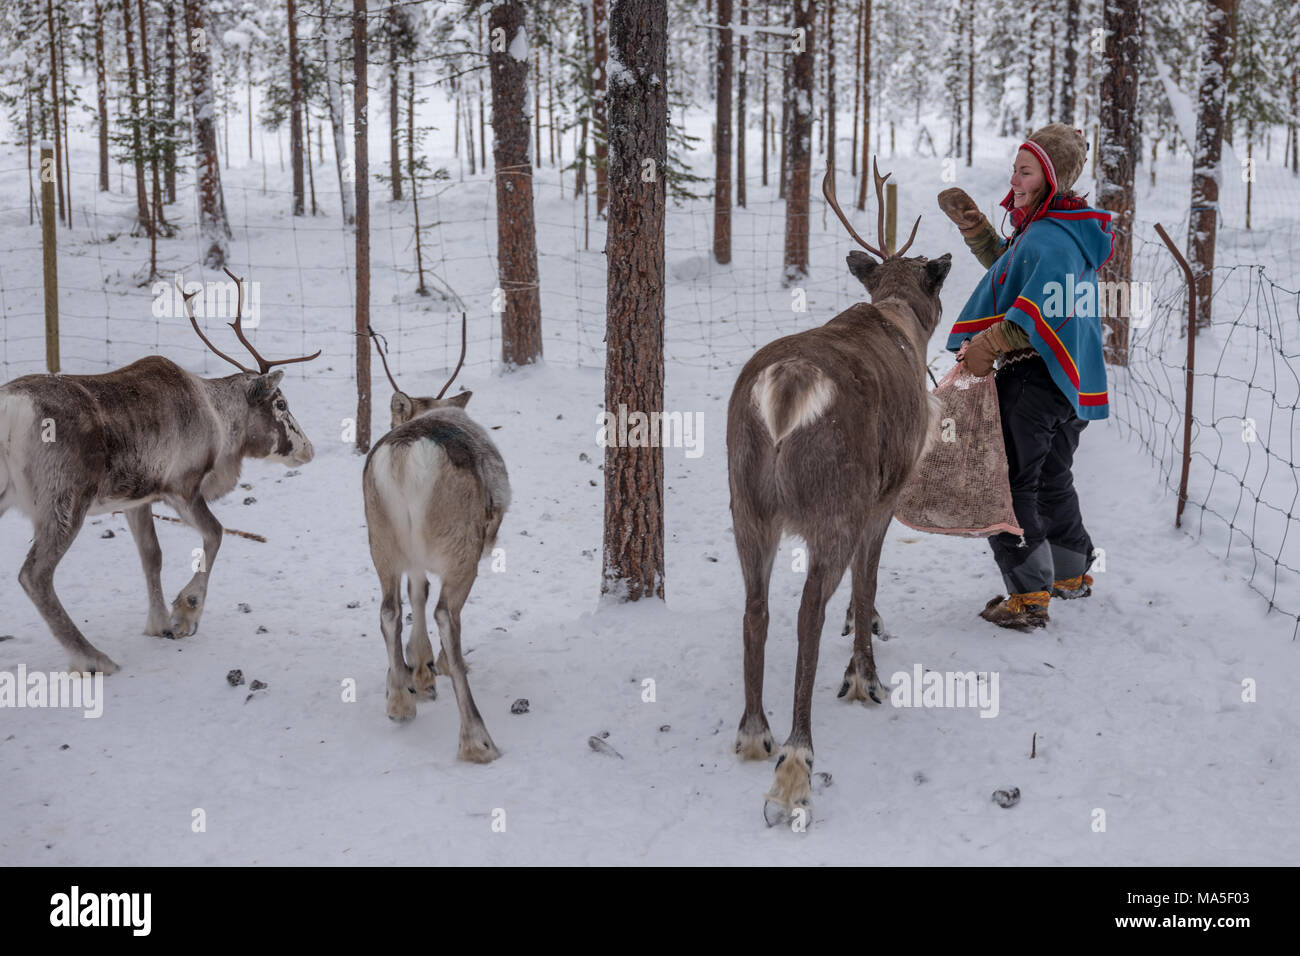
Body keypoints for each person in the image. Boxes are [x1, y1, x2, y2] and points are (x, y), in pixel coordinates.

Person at [936, 123, 1113, 631]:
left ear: (1051, 178)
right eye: (1015, 167)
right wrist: (978, 233)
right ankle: (1071, 573)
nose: (1015, 177)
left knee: (1007, 485)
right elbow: (1018, 269)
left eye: (1027, 170)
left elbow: (1042, 310)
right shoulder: (1057, 225)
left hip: (1034, 379)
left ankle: (1028, 595)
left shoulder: (1054, 237)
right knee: (1052, 477)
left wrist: (990, 343)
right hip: (1066, 383)